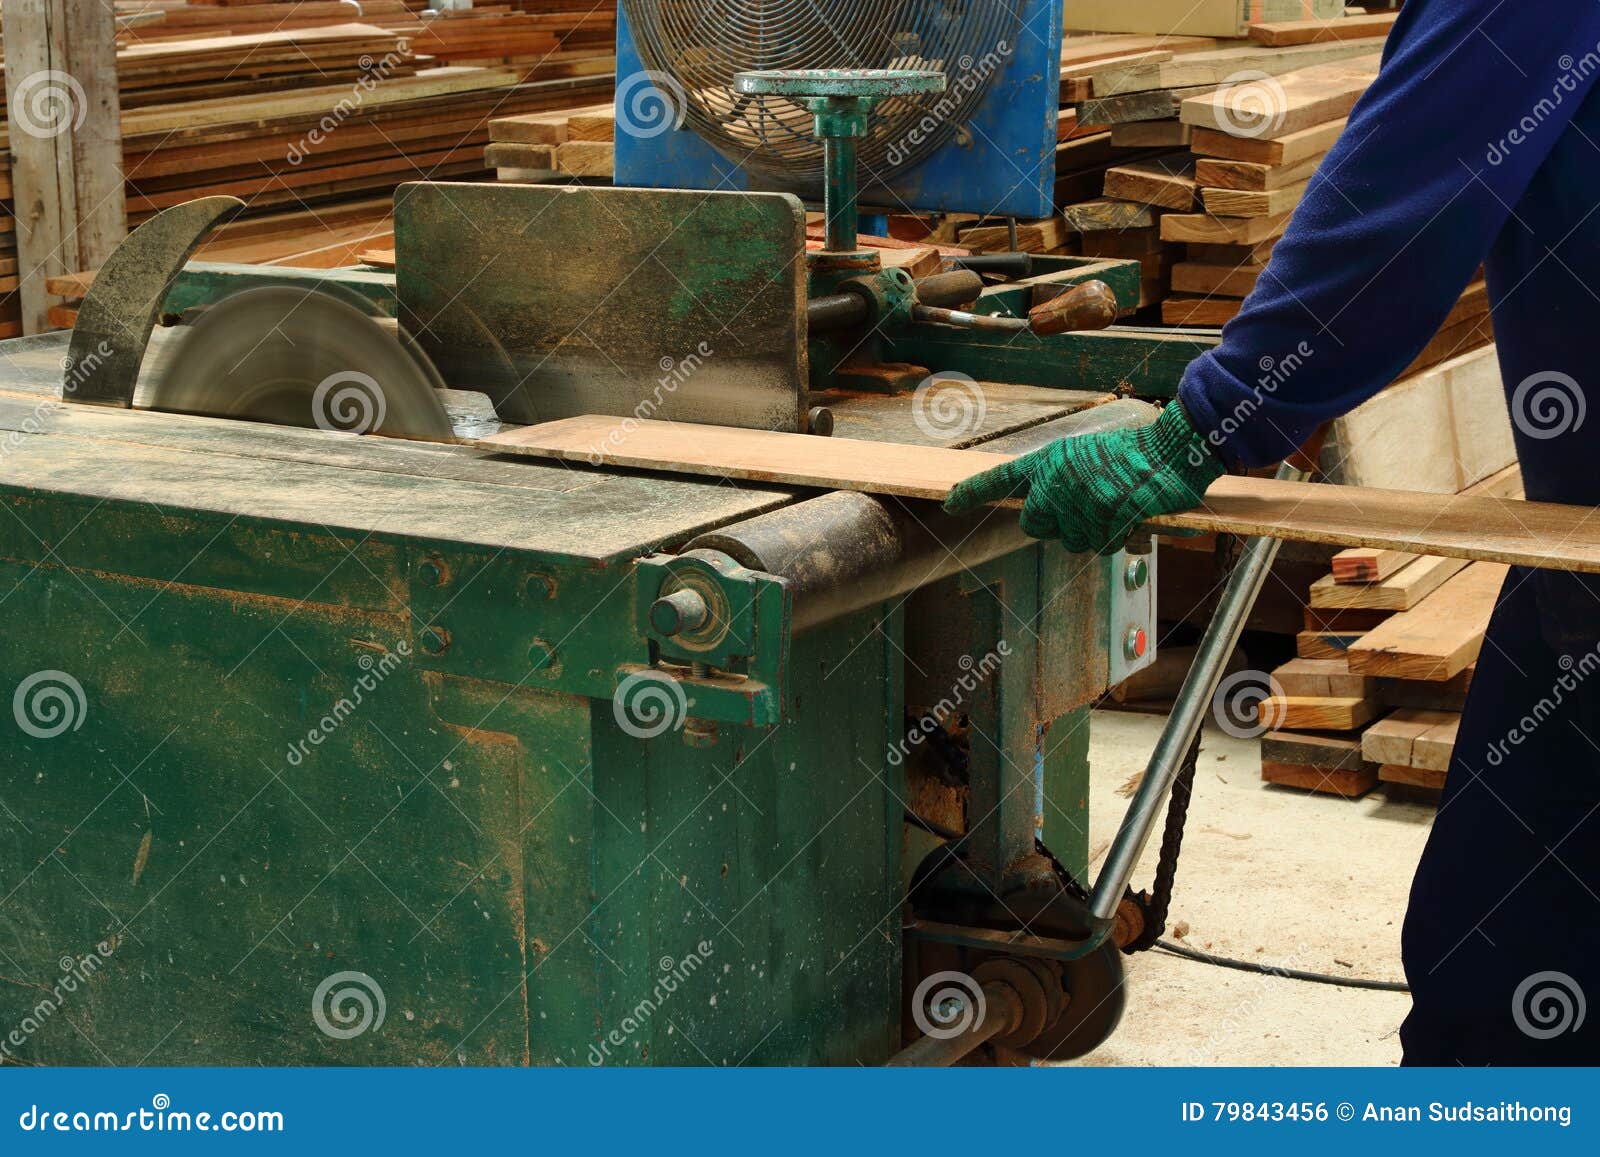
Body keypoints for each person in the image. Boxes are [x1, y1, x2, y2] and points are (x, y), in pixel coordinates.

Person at [946, 2, 1600, 1064]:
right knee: (1502, 947)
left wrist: (1203, 429)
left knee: (1509, 974)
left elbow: (1404, 202)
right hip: (1575, 546)